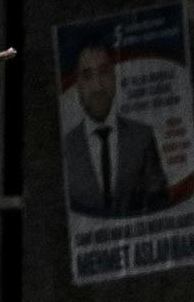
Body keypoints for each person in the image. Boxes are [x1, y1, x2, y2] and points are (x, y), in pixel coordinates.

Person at [63, 43, 173, 217]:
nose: (98, 86)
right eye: (87, 76)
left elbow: (160, 204)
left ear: (114, 77)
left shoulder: (142, 137)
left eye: (104, 72)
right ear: (77, 85)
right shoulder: (66, 147)